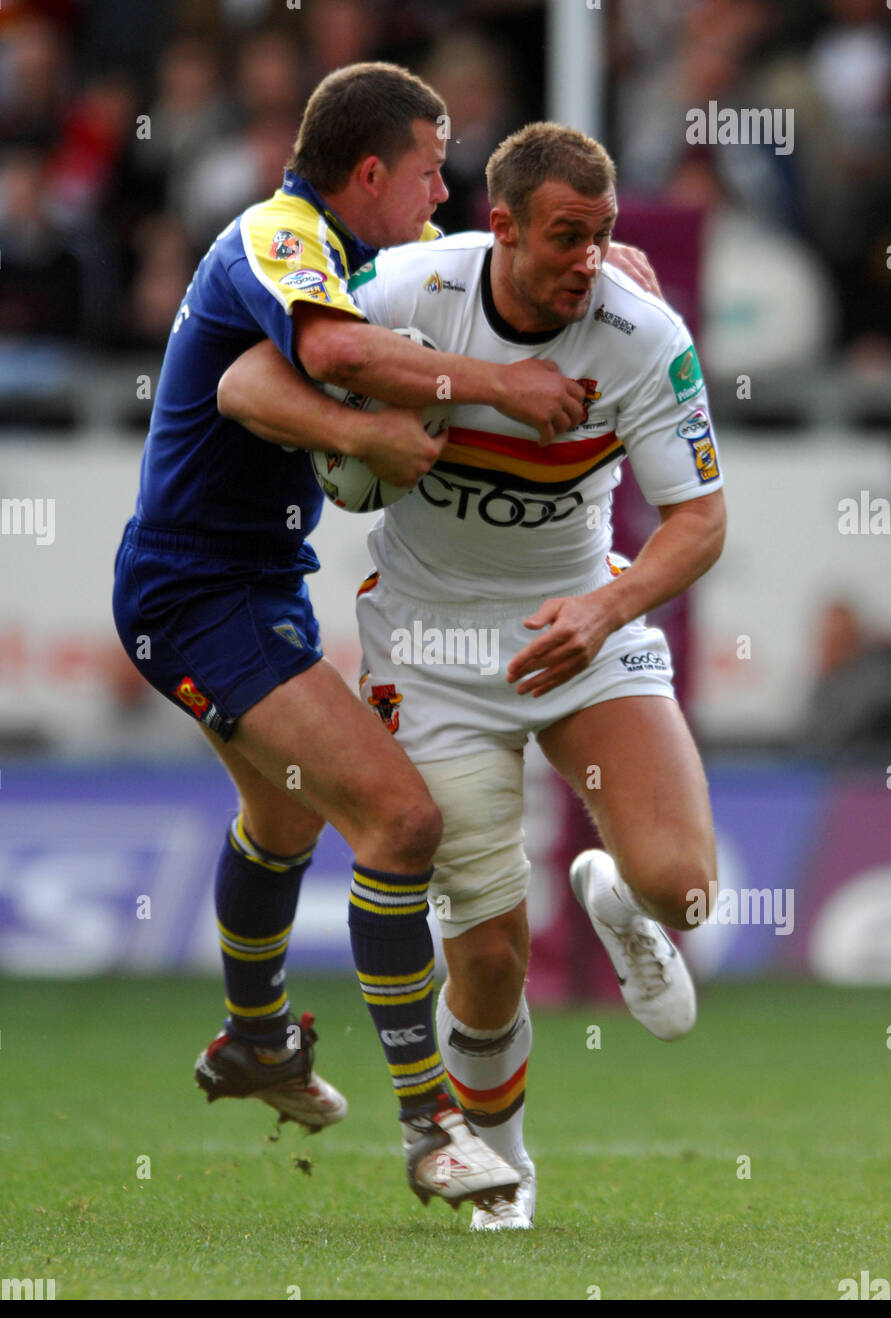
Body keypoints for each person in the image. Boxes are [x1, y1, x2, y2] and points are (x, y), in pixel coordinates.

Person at [217, 121, 726, 1230]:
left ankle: (624, 906)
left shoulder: (643, 331)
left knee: (685, 885)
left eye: (602, 235)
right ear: (497, 227)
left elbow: (698, 520)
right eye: (563, 237)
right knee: (487, 955)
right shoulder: (403, 286)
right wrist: (355, 427)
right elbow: (253, 372)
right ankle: (499, 1159)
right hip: (432, 648)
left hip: (582, 618)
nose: (587, 259)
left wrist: (607, 606)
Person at [112, 64, 592, 1215]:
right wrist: (489, 390)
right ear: (369, 171)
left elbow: (256, 381)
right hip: (194, 592)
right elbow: (302, 364)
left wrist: (605, 268)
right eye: (430, 170)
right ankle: (432, 1129)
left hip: (256, 581)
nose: (443, 196)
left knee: (283, 814)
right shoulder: (280, 237)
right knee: (401, 817)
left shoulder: (347, 256)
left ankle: (254, 1038)